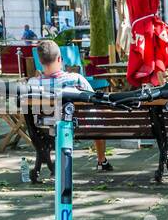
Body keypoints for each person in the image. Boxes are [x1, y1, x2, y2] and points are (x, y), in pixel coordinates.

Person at [28, 39, 113, 173]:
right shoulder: (75, 79)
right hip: (81, 127)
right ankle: (101, 160)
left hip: (45, 129)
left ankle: (49, 164)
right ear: (60, 59)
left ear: (40, 61)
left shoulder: (33, 84)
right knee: (96, 118)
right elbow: (94, 100)